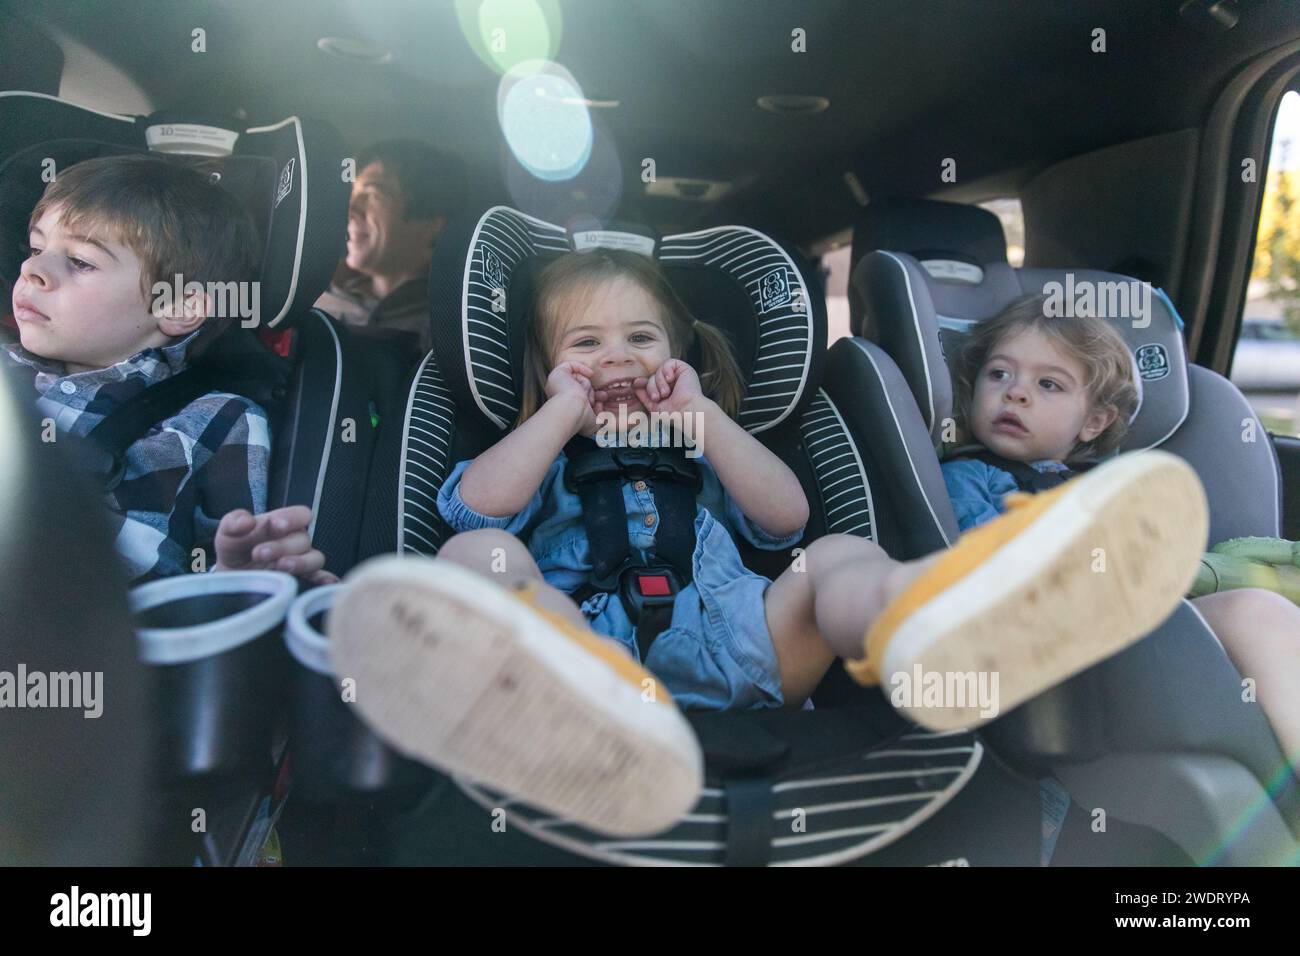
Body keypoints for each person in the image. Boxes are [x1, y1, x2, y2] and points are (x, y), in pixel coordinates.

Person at [327, 249, 1209, 837]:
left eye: (642, 339)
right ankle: (564, 707)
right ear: (549, 365)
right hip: (589, 659)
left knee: (830, 562)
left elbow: (786, 519)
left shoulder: (699, 435)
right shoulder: (539, 449)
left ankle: (918, 627)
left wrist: (703, 418)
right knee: (475, 562)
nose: (618, 359)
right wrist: (560, 411)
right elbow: (477, 512)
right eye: (586, 345)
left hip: (744, 647)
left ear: (680, 355)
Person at [941, 293, 1300, 768]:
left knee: (1259, 609)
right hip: (1071, 648)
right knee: (1252, 610)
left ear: (1094, 422)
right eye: (999, 374)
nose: (1016, 392)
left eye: (1049, 384)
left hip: (1143, 627)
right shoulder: (969, 477)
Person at [3, 154, 331, 585]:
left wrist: (236, 575)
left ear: (178, 305)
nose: (32, 270)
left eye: (81, 262)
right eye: (37, 248)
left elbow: (227, 573)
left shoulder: (217, 420)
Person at [315, 140, 467, 354]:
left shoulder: (454, 329)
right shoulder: (312, 295)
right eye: (352, 194)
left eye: (371, 195)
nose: (350, 209)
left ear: (431, 224)